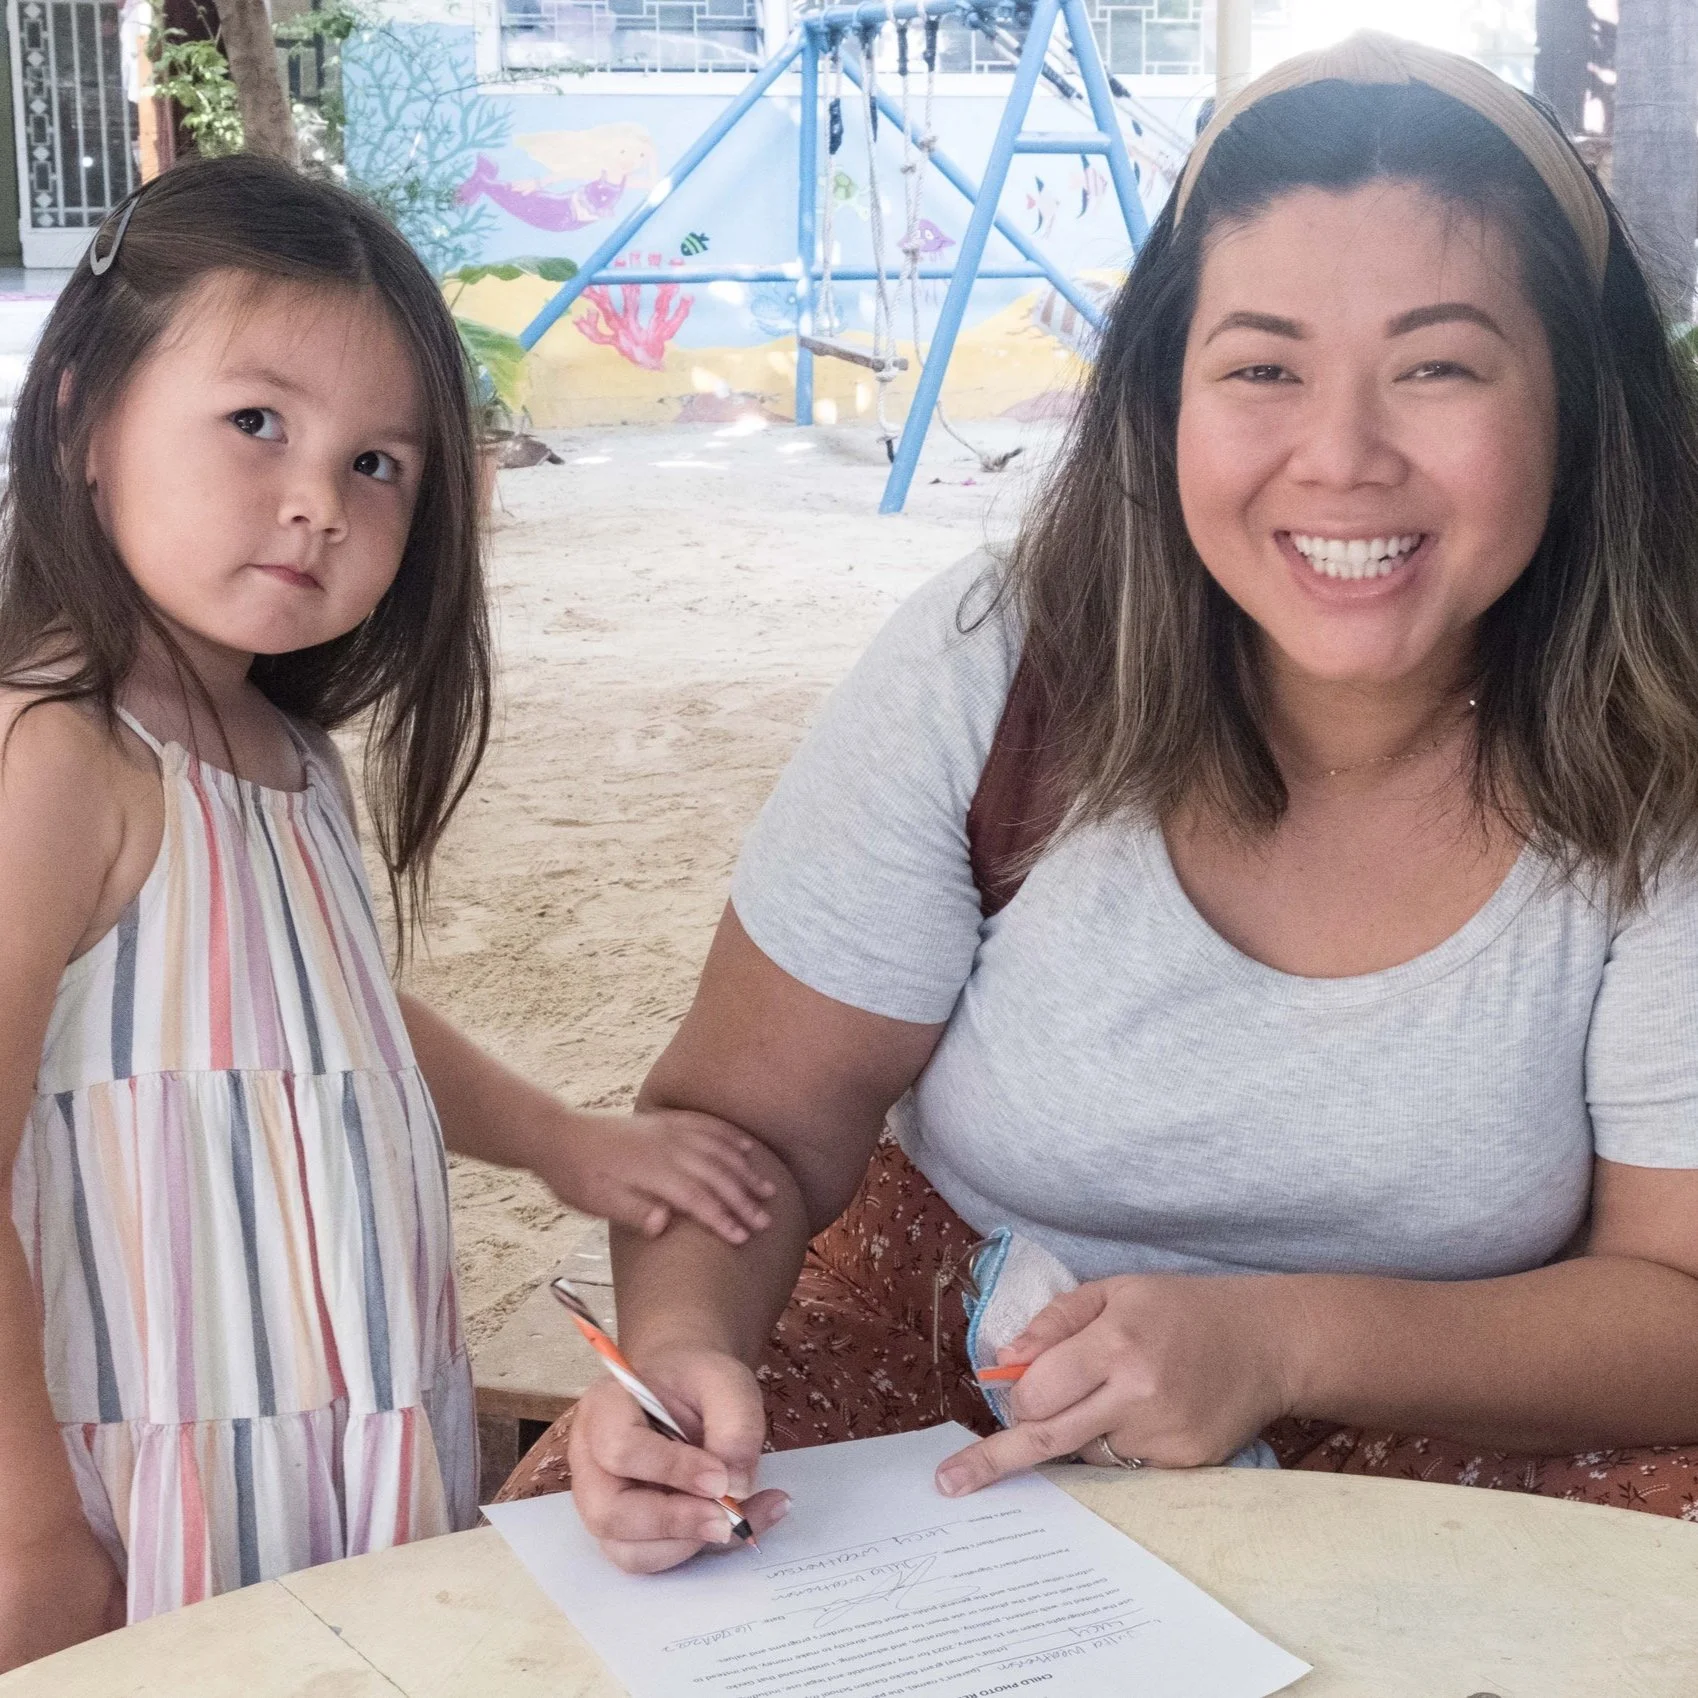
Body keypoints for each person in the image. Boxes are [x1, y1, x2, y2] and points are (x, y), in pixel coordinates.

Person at [511, 33, 1698, 1567]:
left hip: (1475, 1416)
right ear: (1162, 398)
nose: (1338, 460)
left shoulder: (1659, 745)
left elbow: (1675, 1294)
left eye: (1438, 367)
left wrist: (1278, 1342)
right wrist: (678, 1357)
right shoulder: (1000, 667)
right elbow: (747, 1120)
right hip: (942, 1375)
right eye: (1260, 367)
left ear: (1578, 406)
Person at [0, 155, 777, 1670]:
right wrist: (24, 1514)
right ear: (89, 412)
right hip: (140, 1487)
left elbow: (323, 1014)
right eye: (256, 423)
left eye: (379, 463)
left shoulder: (286, 758)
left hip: (346, 1452)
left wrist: (568, 1140)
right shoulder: (57, 753)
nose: (315, 501)